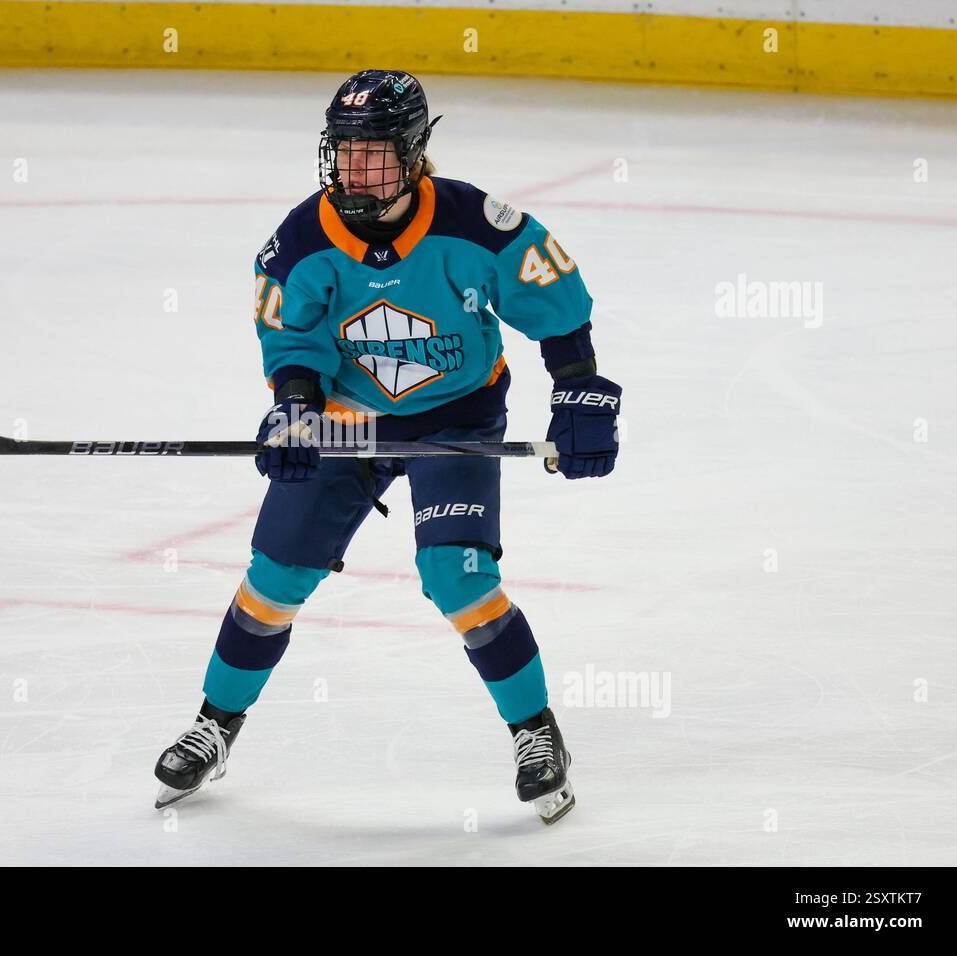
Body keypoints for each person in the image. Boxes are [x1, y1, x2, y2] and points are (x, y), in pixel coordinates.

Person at [154, 69, 620, 823]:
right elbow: (291, 336)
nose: (353, 170)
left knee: (458, 579)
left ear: (415, 153)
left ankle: (538, 736)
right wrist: (295, 408)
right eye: (343, 152)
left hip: (456, 418)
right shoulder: (301, 242)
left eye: (374, 154)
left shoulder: (474, 224)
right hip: (350, 418)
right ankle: (217, 724)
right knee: (274, 577)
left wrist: (578, 385)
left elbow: (553, 297)